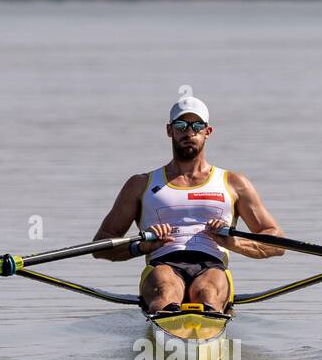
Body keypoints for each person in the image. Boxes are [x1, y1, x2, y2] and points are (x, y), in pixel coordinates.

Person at [92, 97, 285, 313]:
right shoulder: (140, 184)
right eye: (181, 125)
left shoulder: (234, 183)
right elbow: (100, 245)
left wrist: (234, 244)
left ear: (208, 131)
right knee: (166, 288)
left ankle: (203, 320)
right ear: (169, 130)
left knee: (209, 290)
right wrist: (141, 247)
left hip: (213, 266)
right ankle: (170, 318)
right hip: (162, 264)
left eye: (197, 126)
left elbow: (277, 242)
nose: (189, 132)